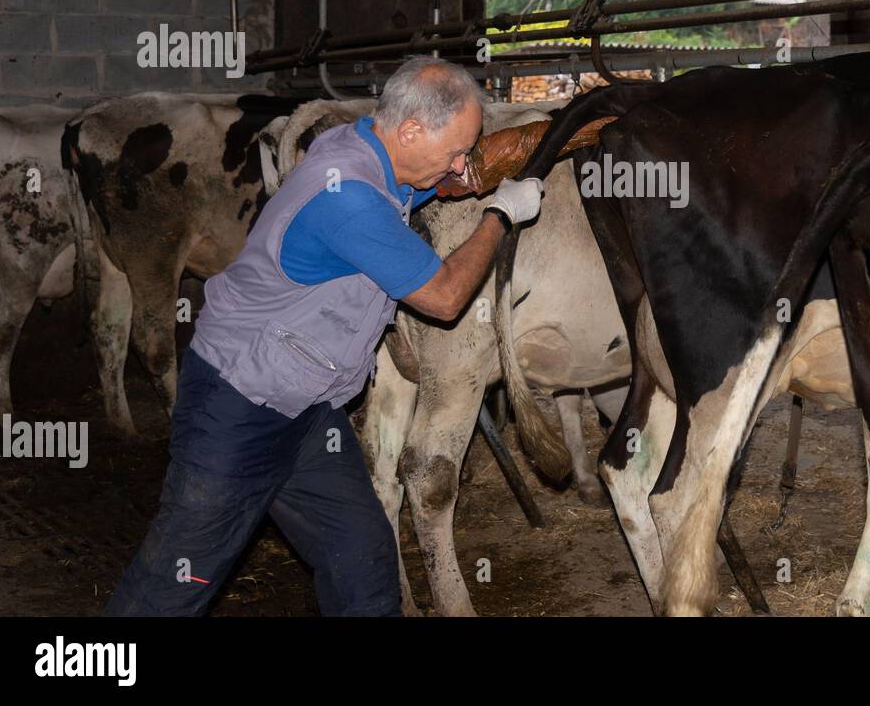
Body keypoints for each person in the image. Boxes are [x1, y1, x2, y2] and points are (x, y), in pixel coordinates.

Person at [103, 56, 542, 616]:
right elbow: (445, 297)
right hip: (238, 408)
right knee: (171, 585)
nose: (461, 165)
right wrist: (499, 214)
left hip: (306, 413)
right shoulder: (349, 196)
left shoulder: (358, 148)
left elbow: (403, 191)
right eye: (455, 151)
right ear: (409, 130)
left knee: (360, 556)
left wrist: (455, 178)